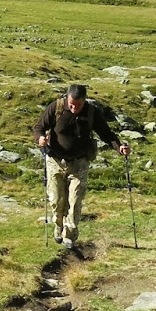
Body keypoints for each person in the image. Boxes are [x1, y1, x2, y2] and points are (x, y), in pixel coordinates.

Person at [34, 84, 130, 251]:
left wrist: (119, 147)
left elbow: (106, 133)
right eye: (71, 104)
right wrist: (41, 138)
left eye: (77, 105)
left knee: (75, 199)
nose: (74, 108)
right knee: (56, 200)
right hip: (55, 161)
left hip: (79, 163)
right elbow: (39, 127)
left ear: (84, 101)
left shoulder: (92, 112)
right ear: (67, 98)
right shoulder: (55, 107)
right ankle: (58, 225)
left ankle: (69, 234)